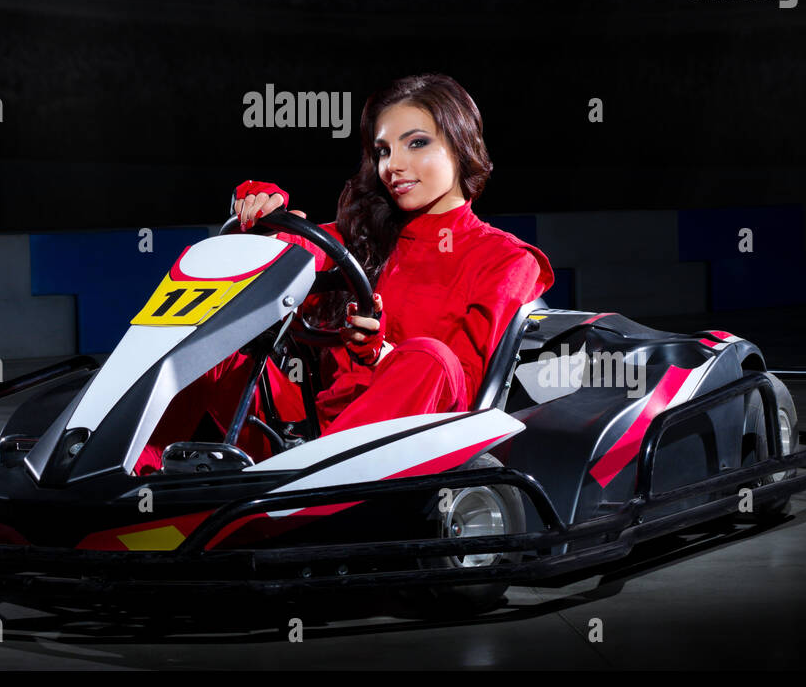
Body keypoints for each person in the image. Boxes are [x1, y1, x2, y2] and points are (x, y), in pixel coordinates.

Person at [134, 73, 553, 474]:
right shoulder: (357, 237)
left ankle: (308, 492)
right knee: (211, 337)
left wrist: (381, 354)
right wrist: (261, 215)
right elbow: (274, 261)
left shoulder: (506, 259)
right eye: (384, 151)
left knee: (428, 356)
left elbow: (463, 389)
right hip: (313, 432)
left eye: (417, 143)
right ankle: (134, 488)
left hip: (413, 440)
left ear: (460, 145)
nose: (394, 166)